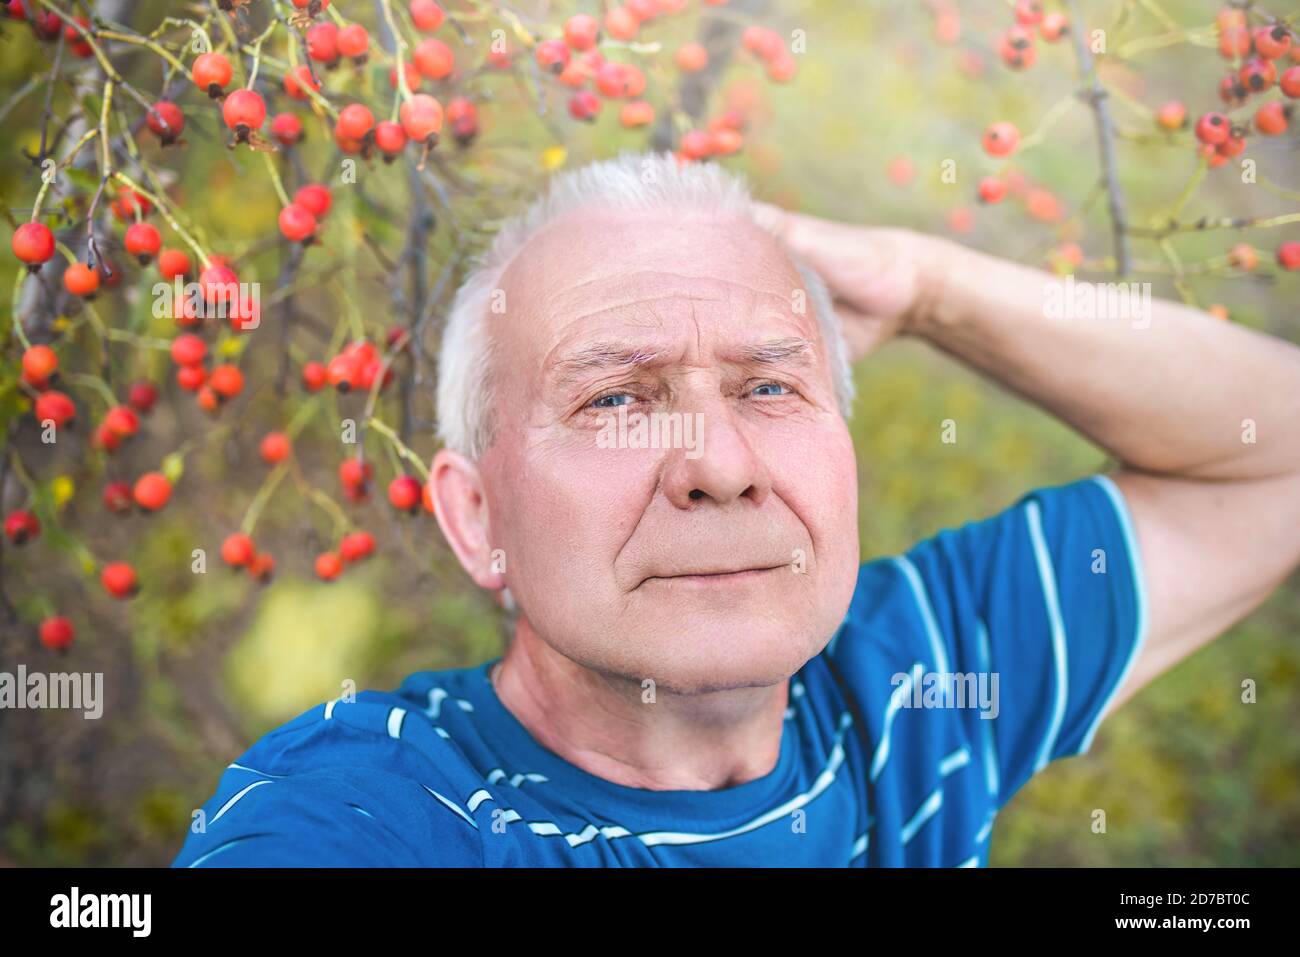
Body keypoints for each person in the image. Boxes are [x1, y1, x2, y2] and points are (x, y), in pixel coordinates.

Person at [173, 152, 1300, 867]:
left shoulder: (915, 691)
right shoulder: (370, 814)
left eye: (769, 385)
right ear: (477, 521)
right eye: (617, 397)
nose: (719, 462)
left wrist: (923, 289)